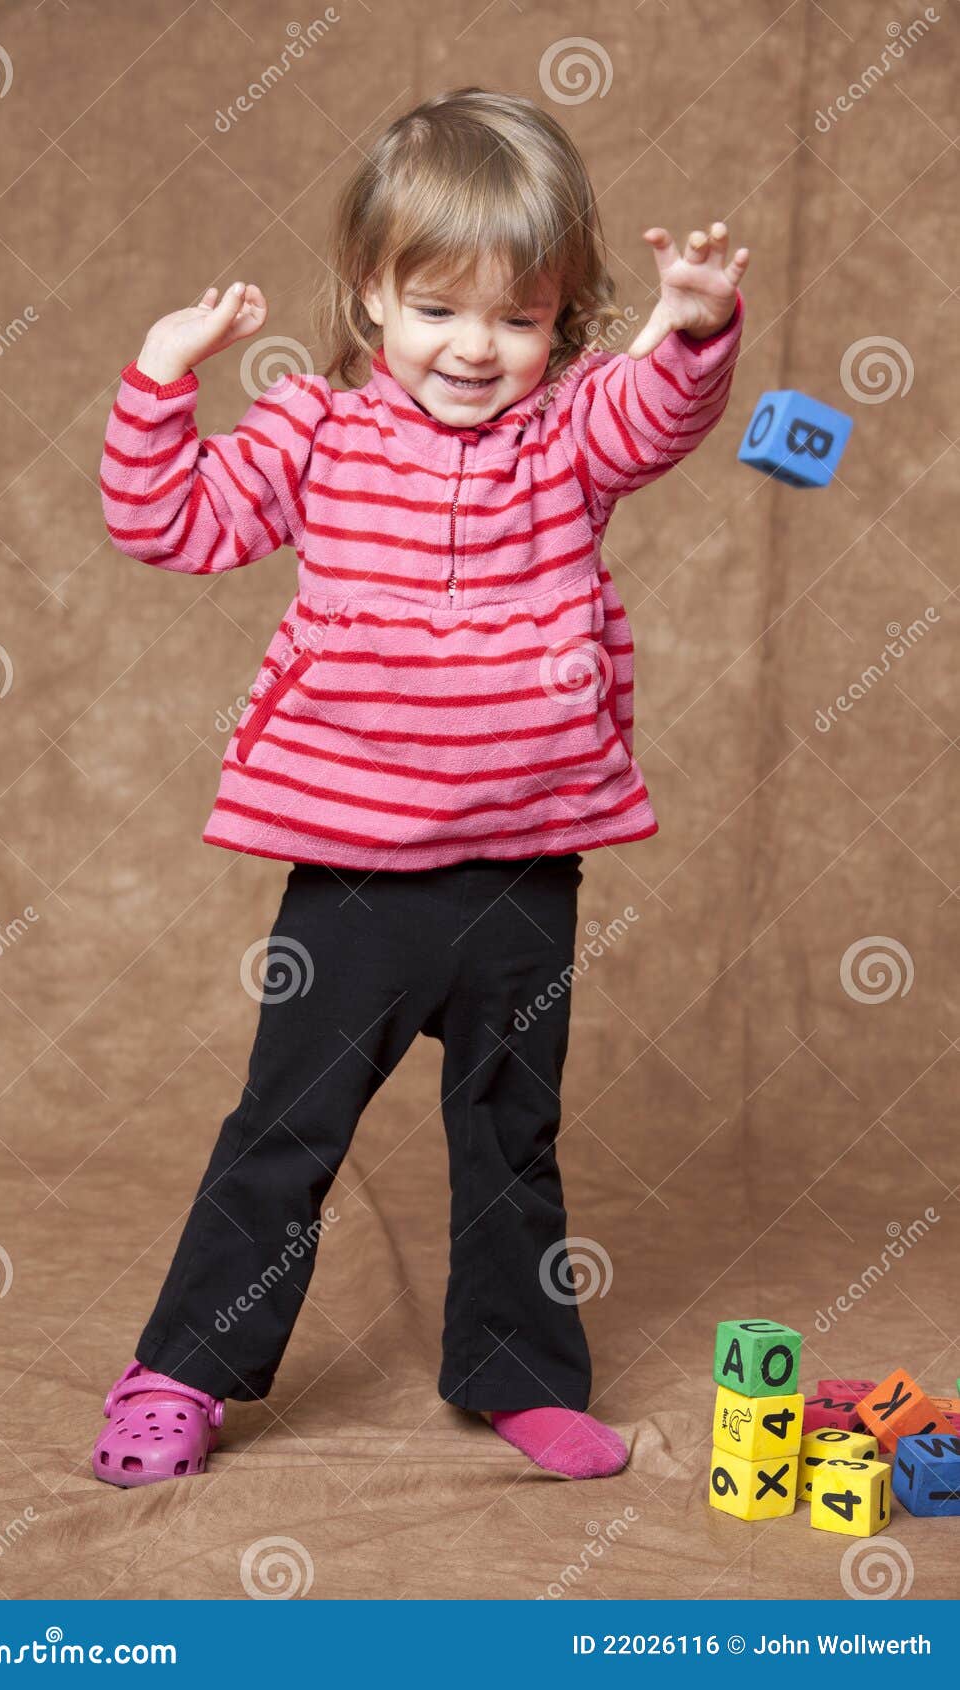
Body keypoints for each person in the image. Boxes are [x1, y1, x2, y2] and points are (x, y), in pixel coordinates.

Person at [92, 86, 748, 1487]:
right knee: (288, 1125)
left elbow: (654, 414)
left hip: (524, 867)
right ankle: (180, 1370)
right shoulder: (313, 436)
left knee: (512, 1125)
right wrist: (160, 380)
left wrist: (691, 329)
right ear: (372, 294)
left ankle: (520, 1369)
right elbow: (169, 522)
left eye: (518, 318)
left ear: (564, 321)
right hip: (355, 875)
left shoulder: (567, 440)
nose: (476, 346)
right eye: (440, 307)